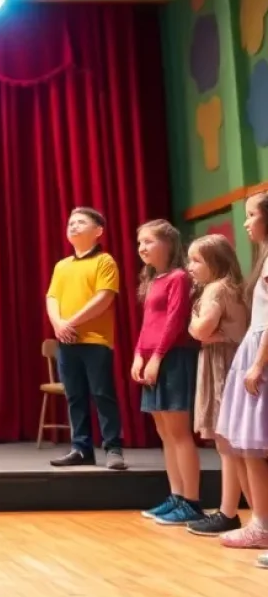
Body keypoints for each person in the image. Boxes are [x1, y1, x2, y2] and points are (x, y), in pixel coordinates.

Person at [45, 207, 127, 469]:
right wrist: (58, 323)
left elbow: (103, 298)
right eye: (71, 223)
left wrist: (70, 322)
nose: (73, 226)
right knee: (74, 396)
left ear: (98, 231)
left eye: (81, 222)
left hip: (95, 341)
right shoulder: (62, 265)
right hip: (66, 341)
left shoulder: (105, 261)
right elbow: (52, 298)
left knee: (102, 394)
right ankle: (80, 448)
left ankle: (113, 448)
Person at [132, 220, 201, 525]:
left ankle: (192, 501)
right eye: (139, 243)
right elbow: (149, 325)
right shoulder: (153, 280)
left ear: (168, 244)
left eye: (148, 241)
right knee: (164, 433)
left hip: (173, 359)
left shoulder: (178, 278)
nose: (142, 248)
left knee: (179, 433)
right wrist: (138, 355)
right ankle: (176, 495)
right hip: (151, 360)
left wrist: (157, 356)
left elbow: (174, 322)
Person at [185, 234, 249, 536]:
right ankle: (233, 511)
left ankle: (229, 512)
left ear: (215, 261)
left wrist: (193, 317)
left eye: (196, 260)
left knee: (227, 443)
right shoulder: (236, 288)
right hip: (228, 357)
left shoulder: (215, 289)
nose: (190, 266)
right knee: (230, 444)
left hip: (223, 362)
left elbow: (200, 330)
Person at [217, 192, 268, 553]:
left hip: (259, 356)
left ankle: (261, 525)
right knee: (246, 448)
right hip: (253, 351)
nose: (246, 222)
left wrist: (258, 364)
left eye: (251, 215)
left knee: (252, 448)